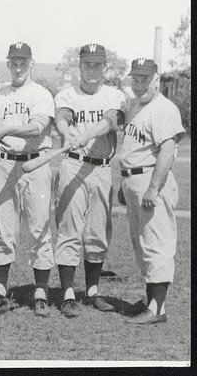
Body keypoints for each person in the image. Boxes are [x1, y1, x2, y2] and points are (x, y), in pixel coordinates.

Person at [52, 43, 126, 317]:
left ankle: (93, 292)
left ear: (105, 67)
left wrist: (87, 135)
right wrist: (67, 132)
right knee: (69, 227)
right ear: (79, 66)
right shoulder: (67, 94)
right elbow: (62, 117)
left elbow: (110, 121)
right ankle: (68, 294)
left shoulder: (115, 95)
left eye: (97, 64)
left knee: (97, 230)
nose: (92, 69)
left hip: (102, 168)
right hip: (73, 164)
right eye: (87, 64)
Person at [0, 42, 55, 317]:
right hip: (5, 167)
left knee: (39, 230)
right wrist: (8, 134)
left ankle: (40, 292)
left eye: (23, 62)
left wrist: (9, 129)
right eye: (13, 62)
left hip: (36, 165)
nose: (18, 67)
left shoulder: (42, 95)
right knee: (2, 229)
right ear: (8, 64)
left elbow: (37, 127)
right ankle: (0, 290)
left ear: (31, 64)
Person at [114, 58, 184, 325]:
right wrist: (125, 184)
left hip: (151, 179)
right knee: (141, 244)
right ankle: (150, 302)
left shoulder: (163, 108)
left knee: (156, 244)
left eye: (145, 79)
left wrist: (154, 188)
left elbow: (167, 150)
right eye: (136, 79)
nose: (140, 84)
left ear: (157, 80)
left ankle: (157, 309)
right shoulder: (136, 106)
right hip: (134, 179)